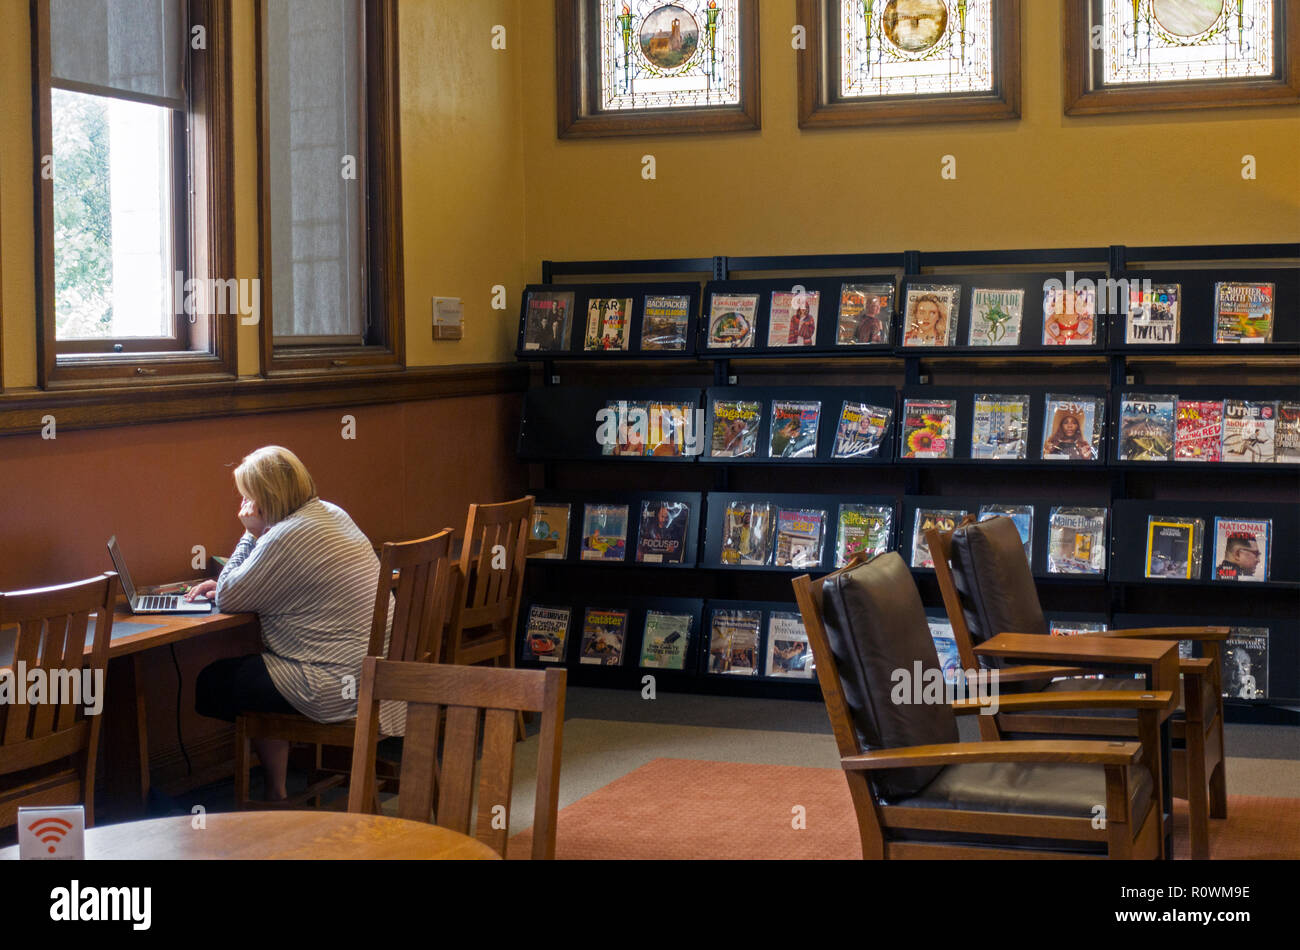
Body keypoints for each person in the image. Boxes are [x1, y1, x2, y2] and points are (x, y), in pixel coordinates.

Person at [188, 446, 395, 801]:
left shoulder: (284, 536)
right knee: (263, 665)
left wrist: (251, 534)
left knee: (213, 684)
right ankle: (277, 790)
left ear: (266, 499)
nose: (244, 507)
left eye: (248, 498)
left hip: (337, 684)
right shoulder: (332, 512)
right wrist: (237, 572)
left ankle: (275, 793)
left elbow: (231, 597)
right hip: (380, 671)